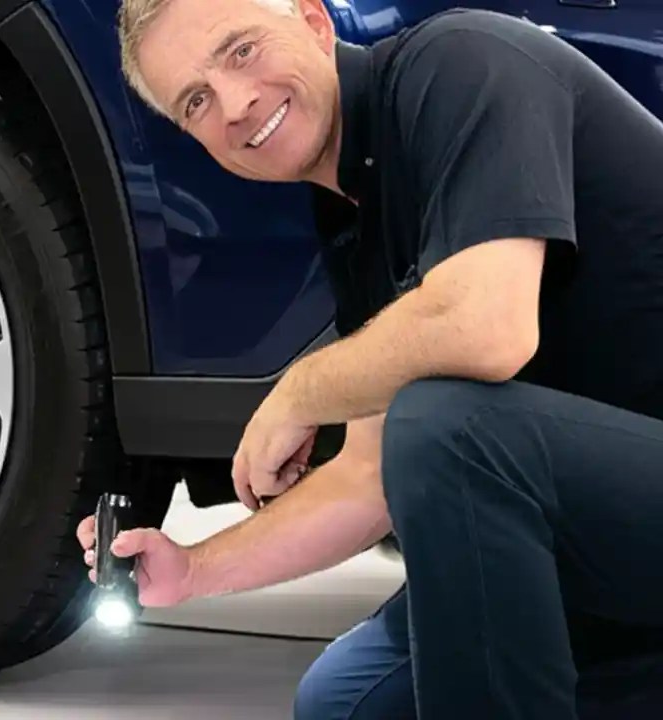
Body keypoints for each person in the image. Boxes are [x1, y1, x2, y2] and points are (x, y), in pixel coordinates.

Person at [75, 0, 663, 718]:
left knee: (448, 428)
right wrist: (192, 568)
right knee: (344, 701)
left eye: (241, 50)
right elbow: (364, 476)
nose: (233, 103)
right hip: (619, 532)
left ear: (316, 23)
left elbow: (486, 326)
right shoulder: (357, 212)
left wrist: (301, 389)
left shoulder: (460, 65)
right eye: (194, 101)